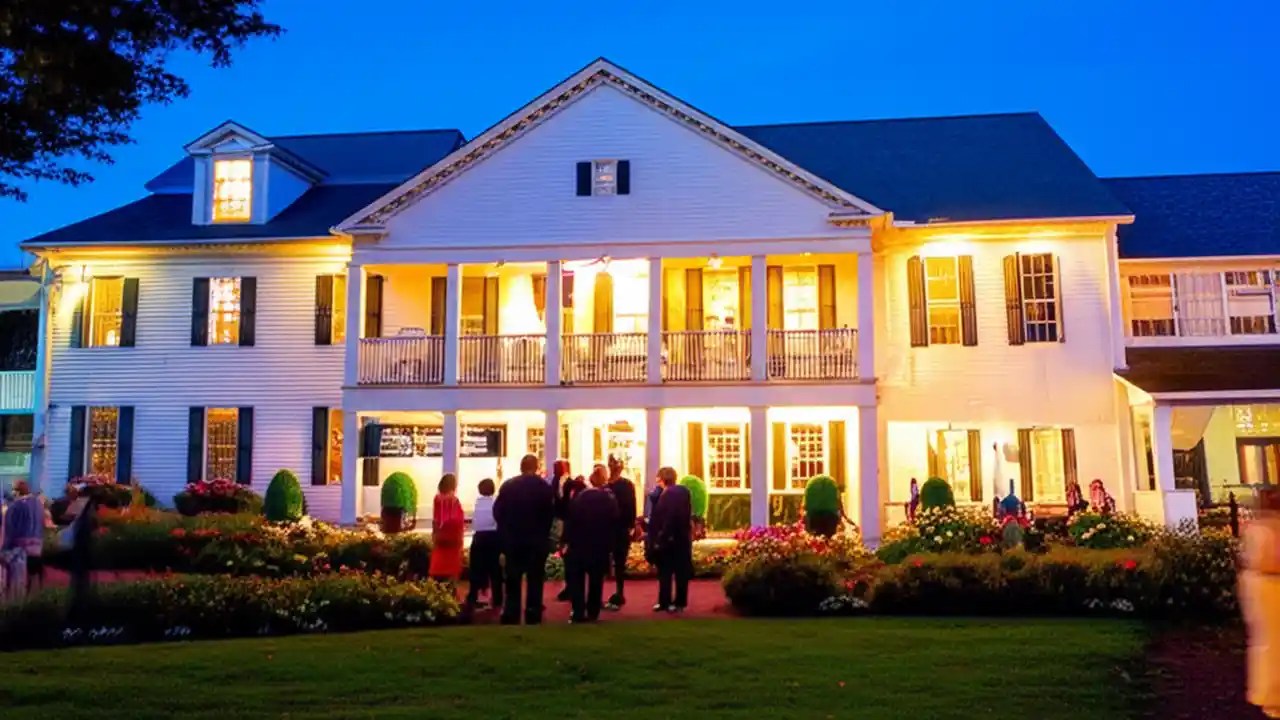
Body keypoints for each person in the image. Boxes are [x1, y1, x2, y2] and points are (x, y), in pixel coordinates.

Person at [494, 454, 556, 625]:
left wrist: (506, 531)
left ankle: (511, 612)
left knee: (513, 577)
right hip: (536, 541)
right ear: (536, 467)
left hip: (514, 540)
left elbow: (498, 512)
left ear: (521, 467)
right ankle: (533, 612)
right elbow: (549, 515)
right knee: (535, 578)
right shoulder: (543, 487)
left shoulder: (509, 486)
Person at [564, 465, 619, 623]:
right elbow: (614, 520)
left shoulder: (580, 498)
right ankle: (593, 611)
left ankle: (578, 611)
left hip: (580, 543)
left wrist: (567, 540)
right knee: (596, 580)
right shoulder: (609, 499)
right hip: (600, 543)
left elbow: (571, 520)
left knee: (577, 579)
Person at [1243, 487, 1280, 717]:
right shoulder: (1265, 529)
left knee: (1267, 642)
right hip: (1269, 586)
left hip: (1263, 585)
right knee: (1271, 642)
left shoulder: (1259, 528)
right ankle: (1272, 696)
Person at [648, 466, 693, 613]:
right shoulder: (684, 492)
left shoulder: (666, 495)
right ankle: (680, 602)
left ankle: (664, 601)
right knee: (680, 571)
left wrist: (661, 537)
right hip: (682, 537)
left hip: (669, 538)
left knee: (665, 572)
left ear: (662, 479)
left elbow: (667, 518)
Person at [1, 480, 50, 595]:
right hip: (38, 552)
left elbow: (9, 533)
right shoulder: (39, 505)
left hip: (19, 553)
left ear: (16, 492)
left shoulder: (13, 508)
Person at [604, 454, 637, 611]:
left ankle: (617, 593)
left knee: (615, 562)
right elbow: (632, 507)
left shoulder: (609, 486)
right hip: (617, 528)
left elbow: (631, 507)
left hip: (615, 528)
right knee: (618, 563)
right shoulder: (623, 485)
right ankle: (618, 592)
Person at [465, 478, 503, 609]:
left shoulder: (477, 502)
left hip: (479, 537)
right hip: (493, 536)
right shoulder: (495, 502)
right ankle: (497, 598)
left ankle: (473, 595)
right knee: (495, 569)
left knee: (476, 568)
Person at [429, 474, 465, 584]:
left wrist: (435, 533)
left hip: (440, 535)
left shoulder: (437, 499)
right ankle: (451, 591)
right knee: (452, 566)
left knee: (439, 562)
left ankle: (436, 589)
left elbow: (436, 518)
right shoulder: (454, 500)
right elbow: (458, 519)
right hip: (453, 537)